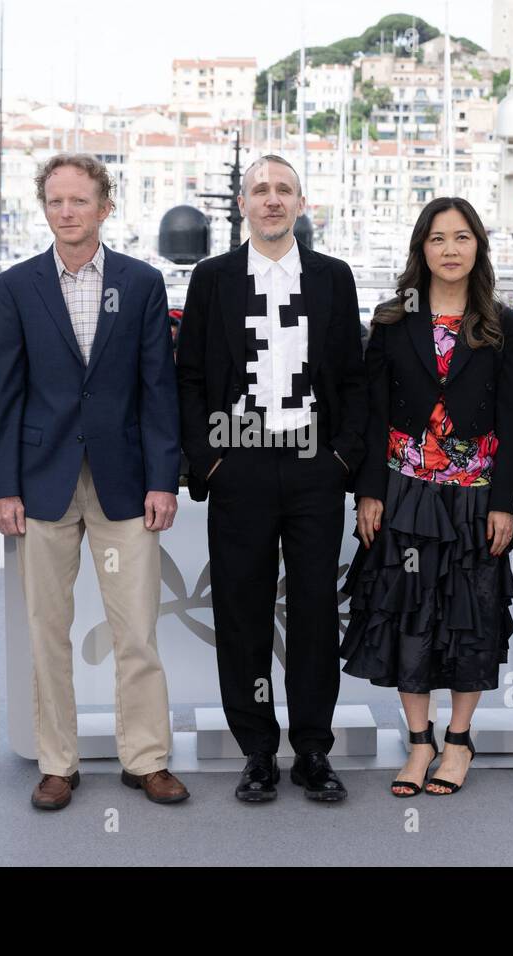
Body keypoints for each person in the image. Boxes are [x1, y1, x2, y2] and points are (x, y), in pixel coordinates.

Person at [0, 153, 188, 811]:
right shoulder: (17, 286)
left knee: (136, 628)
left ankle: (147, 759)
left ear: (105, 207)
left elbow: (159, 388)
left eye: (79, 201)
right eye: (55, 201)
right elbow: (4, 393)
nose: (66, 212)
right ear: (44, 207)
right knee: (48, 627)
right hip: (41, 483)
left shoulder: (141, 282)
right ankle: (57, 763)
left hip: (125, 481)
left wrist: (165, 478)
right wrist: (3, 487)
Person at [176, 154, 368, 803]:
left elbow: (353, 376)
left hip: (316, 464)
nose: (272, 199)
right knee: (242, 611)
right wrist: (211, 462)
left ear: (301, 202)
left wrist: (343, 458)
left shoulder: (334, 280)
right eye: (261, 189)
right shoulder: (213, 279)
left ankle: (313, 748)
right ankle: (258, 751)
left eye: (283, 189)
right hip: (241, 465)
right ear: (242, 204)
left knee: (316, 610)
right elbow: (191, 377)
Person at [341, 197, 513, 797]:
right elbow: (370, 414)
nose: (450, 249)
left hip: (475, 499)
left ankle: (458, 741)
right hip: (405, 494)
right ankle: (419, 742)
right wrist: (369, 492)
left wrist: (505, 502)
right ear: (421, 248)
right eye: (438, 238)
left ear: (479, 247)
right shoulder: (393, 320)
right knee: (410, 618)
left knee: (469, 618)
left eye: (462, 237)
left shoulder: (503, 323)